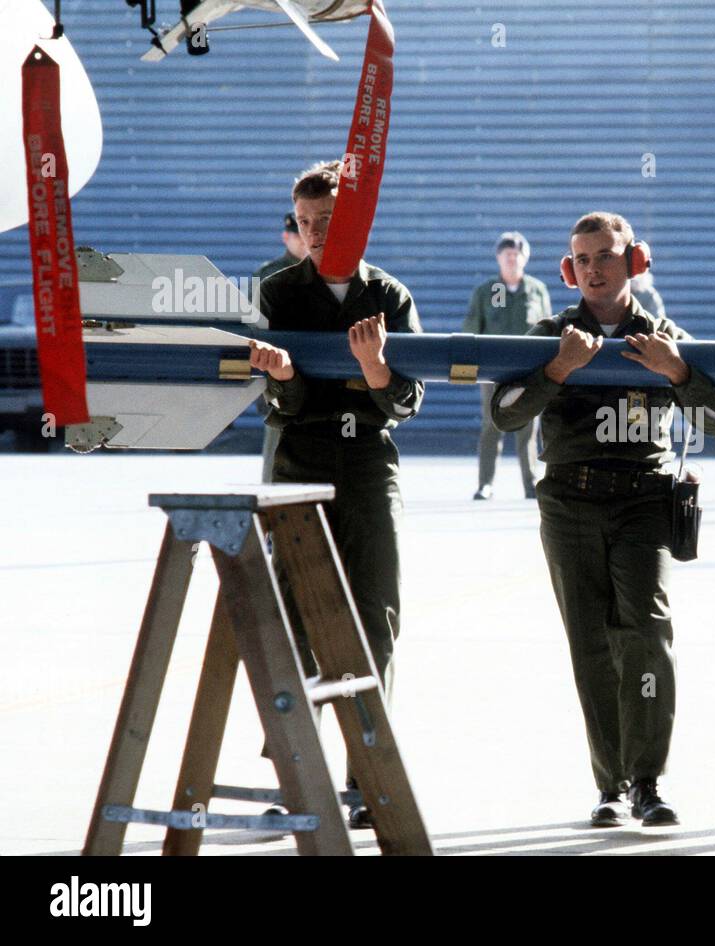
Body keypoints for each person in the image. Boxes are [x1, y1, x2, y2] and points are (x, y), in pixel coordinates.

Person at [491, 212, 715, 828]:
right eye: (583, 259)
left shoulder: (663, 334)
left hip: (643, 501)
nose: (595, 269)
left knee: (646, 633)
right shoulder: (550, 333)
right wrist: (557, 369)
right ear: (569, 269)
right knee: (591, 644)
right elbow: (506, 414)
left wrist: (676, 370)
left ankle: (649, 781)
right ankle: (611, 784)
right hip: (569, 500)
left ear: (635, 262)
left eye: (606, 256)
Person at [246, 159, 424, 829]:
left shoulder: (390, 296)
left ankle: (366, 779)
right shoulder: (277, 293)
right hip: (300, 461)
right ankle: (297, 779)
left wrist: (377, 369)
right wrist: (288, 376)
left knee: (374, 613)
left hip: (367, 464)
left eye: (327, 221)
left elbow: (408, 399)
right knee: (290, 620)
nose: (315, 233)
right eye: (304, 222)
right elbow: (273, 403)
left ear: (356, 221)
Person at [463, 231, 551, 500]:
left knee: (528, 427)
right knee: (491, 426)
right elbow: (471, 330)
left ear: (525, 258)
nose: (512, 260)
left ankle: (530, 483)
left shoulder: (536, 290)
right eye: (507, 255)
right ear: (499, 258)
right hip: (494, 372)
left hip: (528, 372)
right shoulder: (487, 291)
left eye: (516, 255)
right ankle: (485, 483)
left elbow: (549, 329)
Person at [252, 213, 309, 483]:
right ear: (286, 237)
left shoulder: (329, 273)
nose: (305, 240)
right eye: (298, 234)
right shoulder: (268, 276)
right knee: (278, 441)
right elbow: (252, 330)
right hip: (276, 372)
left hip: (312, 370)